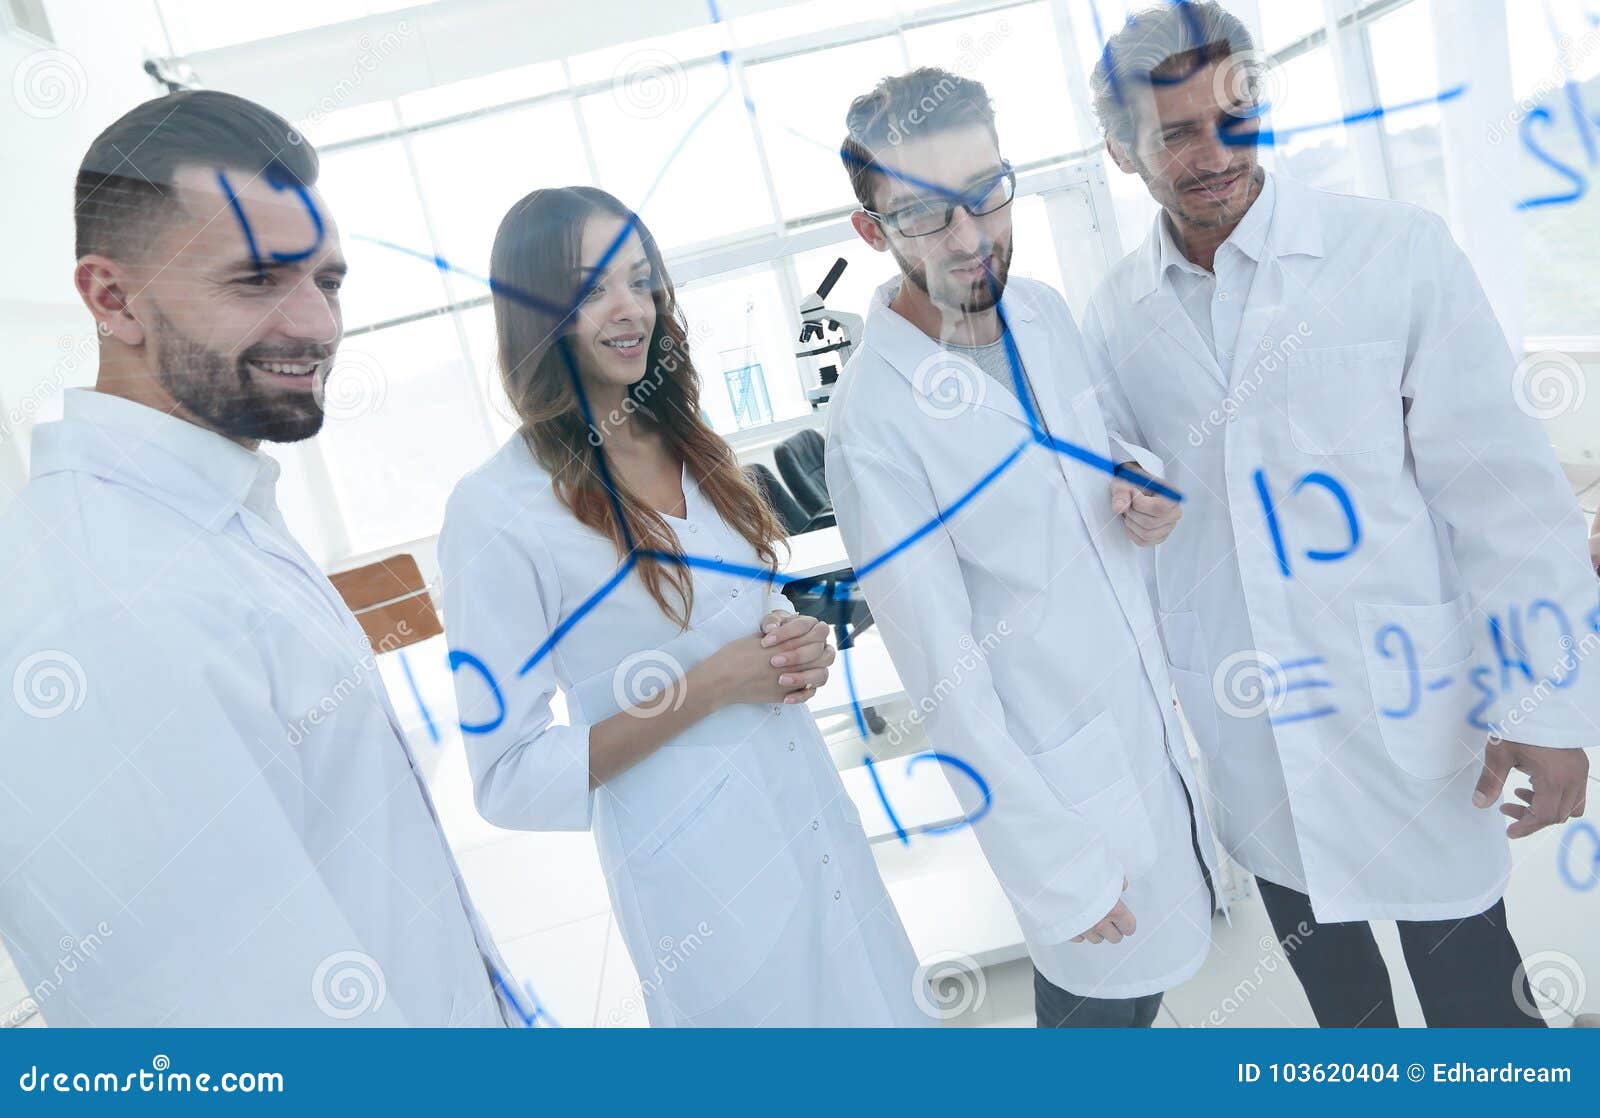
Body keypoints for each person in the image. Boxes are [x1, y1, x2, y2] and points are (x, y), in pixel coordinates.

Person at [1082, 1, 1595, 1027]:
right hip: (1254, 735)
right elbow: (1120, 496)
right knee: (1344, 1017)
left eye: (1232, 116)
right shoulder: (1114, 313)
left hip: (1411, 713)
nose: (1214, 153)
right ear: (1120, 149)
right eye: (1175, 132)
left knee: (1478, 1005)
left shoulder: (1391, 252)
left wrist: (1551, 709)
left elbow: (1503, 497)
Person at [0, 92, 513, 1026]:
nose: (316, 326)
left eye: (328, 280)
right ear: (111, 299)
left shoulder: (216, 511)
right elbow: (232, 1025)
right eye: (257, 282)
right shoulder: (94, 605)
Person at [437, 186, 927, 1027]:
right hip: (701, 890)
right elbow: (508, 778)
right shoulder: (497, 509)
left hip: (811, 821)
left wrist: (794, 642)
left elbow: (743, 613)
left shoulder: (685, 437)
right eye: (592, 289)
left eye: (641, 280)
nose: (630, 310)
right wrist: (708, 686)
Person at [825, 68, 1218, 1028]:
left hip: (1144, 730)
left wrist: (1139, 480)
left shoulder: (1037, 307)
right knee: (1097, 1015)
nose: (970, 237)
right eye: (923, 214)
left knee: (1149, 993)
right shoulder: (874, 426)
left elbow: (1085, 453)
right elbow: (944, 680)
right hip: (1061, 787)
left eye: (986, 195)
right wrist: (1058, 874)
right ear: (871, 230)